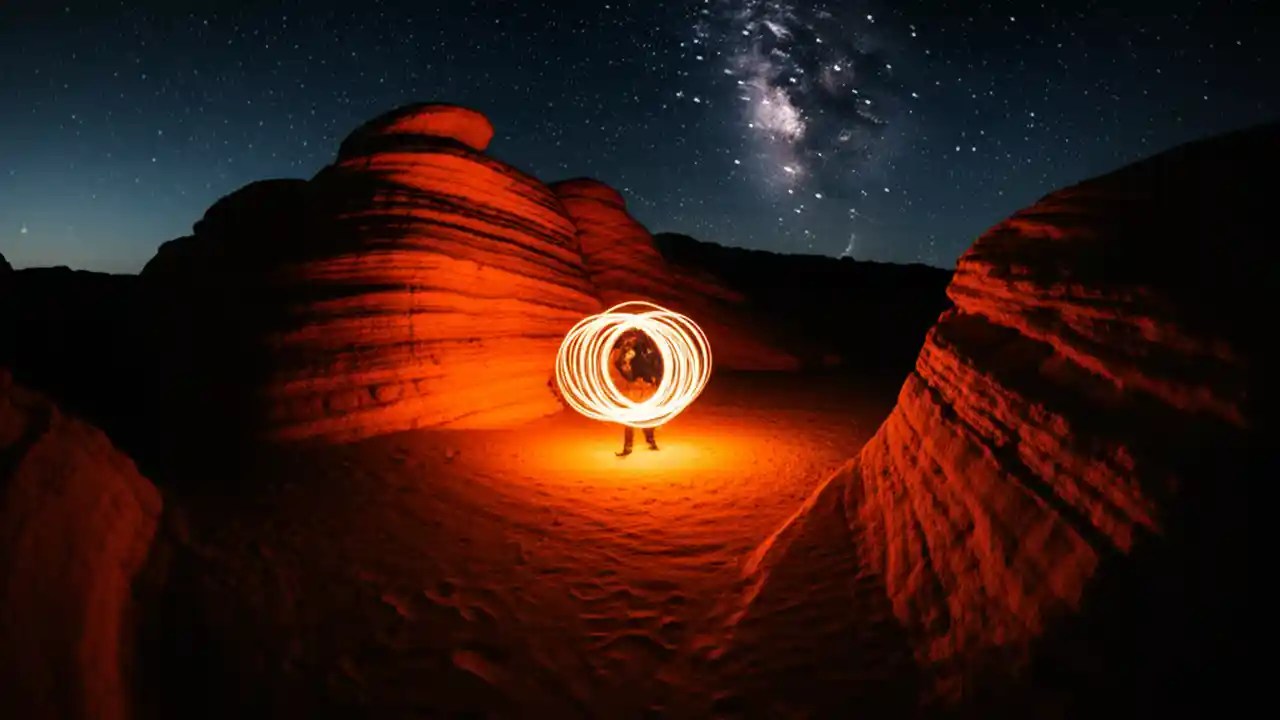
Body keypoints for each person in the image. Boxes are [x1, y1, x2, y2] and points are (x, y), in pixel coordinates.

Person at [610, 329, 663, 457]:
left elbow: (651, 367)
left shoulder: (644, 353)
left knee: (645, 417)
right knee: (631, 419)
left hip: (644, 387)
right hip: (634, 389)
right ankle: (631, 446)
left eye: (632, 339)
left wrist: (654, 379)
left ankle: (649, 440)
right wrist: (625, 366)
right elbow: (618, 366)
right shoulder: (623, 354)